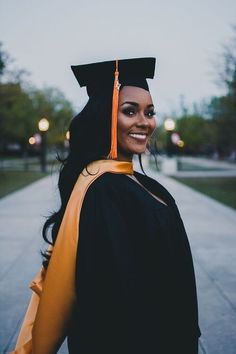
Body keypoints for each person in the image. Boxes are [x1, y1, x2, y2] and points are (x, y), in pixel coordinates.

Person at [11, 58, 201, 354]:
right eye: (129, 111)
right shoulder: (103, 189)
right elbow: (114, 296)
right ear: (105, 117)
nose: (145, 122)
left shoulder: (137, 181)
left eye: (149, 112)